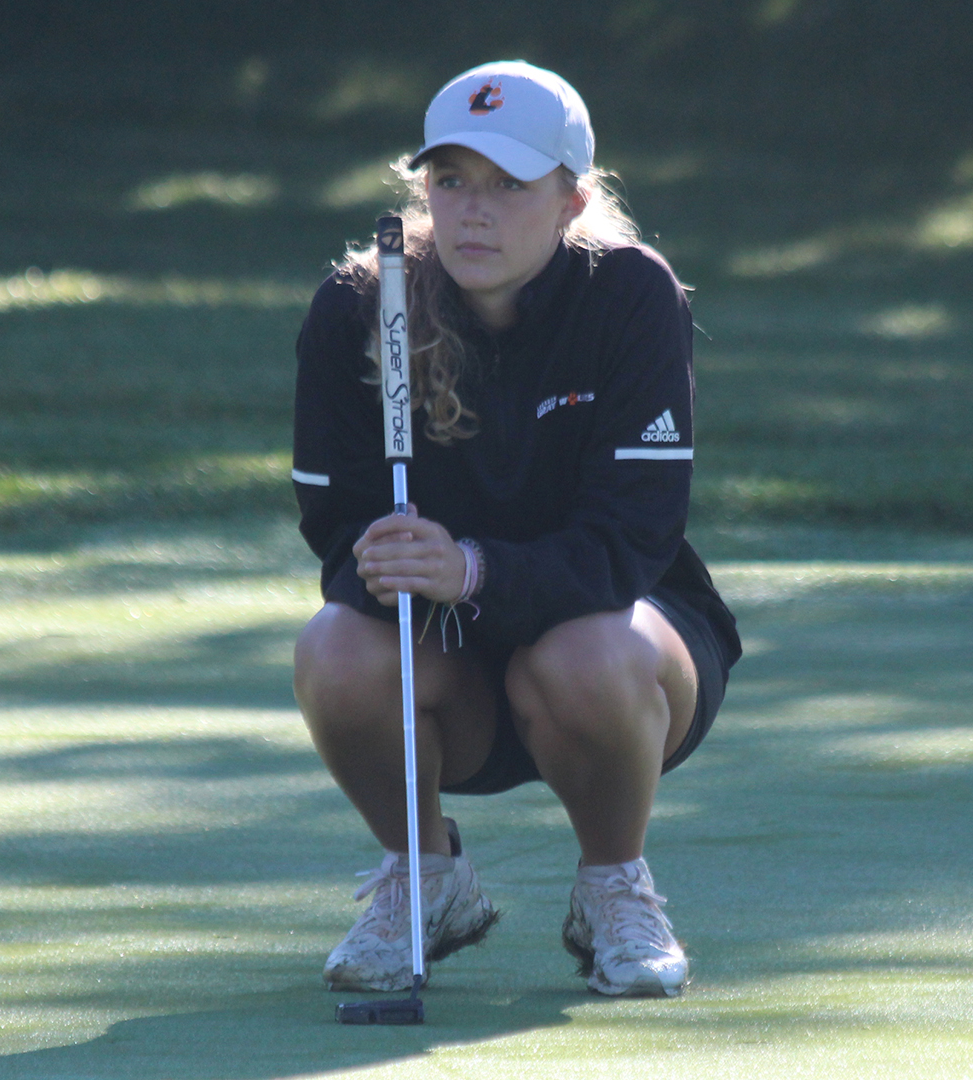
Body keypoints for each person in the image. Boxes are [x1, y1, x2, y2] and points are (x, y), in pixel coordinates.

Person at [290, 60, 739, 999]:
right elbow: (334, 522)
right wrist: (380, 563)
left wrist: (477, 570)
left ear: (573, 199)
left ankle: (614, 885)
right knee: (333, 648)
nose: (473, 213)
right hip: (442, 659)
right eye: (450, 182)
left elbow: (633, 542)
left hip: (617, 648)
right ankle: (425, 879)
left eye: (508, 186)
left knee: (584, 655)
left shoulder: (630, 296)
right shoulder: (360, 305)